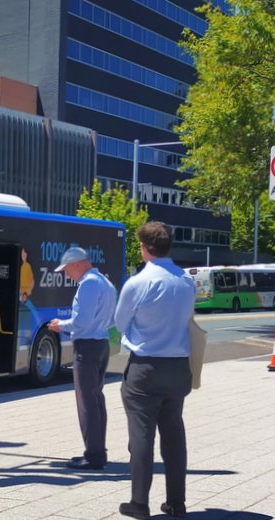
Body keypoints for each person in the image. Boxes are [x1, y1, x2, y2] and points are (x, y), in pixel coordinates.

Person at [114, 222, 194, 520]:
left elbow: (120, 323)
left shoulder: (138, 282)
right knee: (174, 435)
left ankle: (139, 502)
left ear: (144, 248)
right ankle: (177, 502)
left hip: (145, 367)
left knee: (141, 436)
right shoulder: (186, 281)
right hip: (178, 366)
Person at [49, 247, 117, 471]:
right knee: (96, 399)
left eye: (67, 269)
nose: (67, 273)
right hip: (101, 343)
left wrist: (60, 325)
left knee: (87, 403)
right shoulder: (105, 282)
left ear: (77, 264)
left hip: (87, 347)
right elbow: (109, 319)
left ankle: (94, 455)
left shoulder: (88, 284)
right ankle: (98, 451)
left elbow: (82, 322)